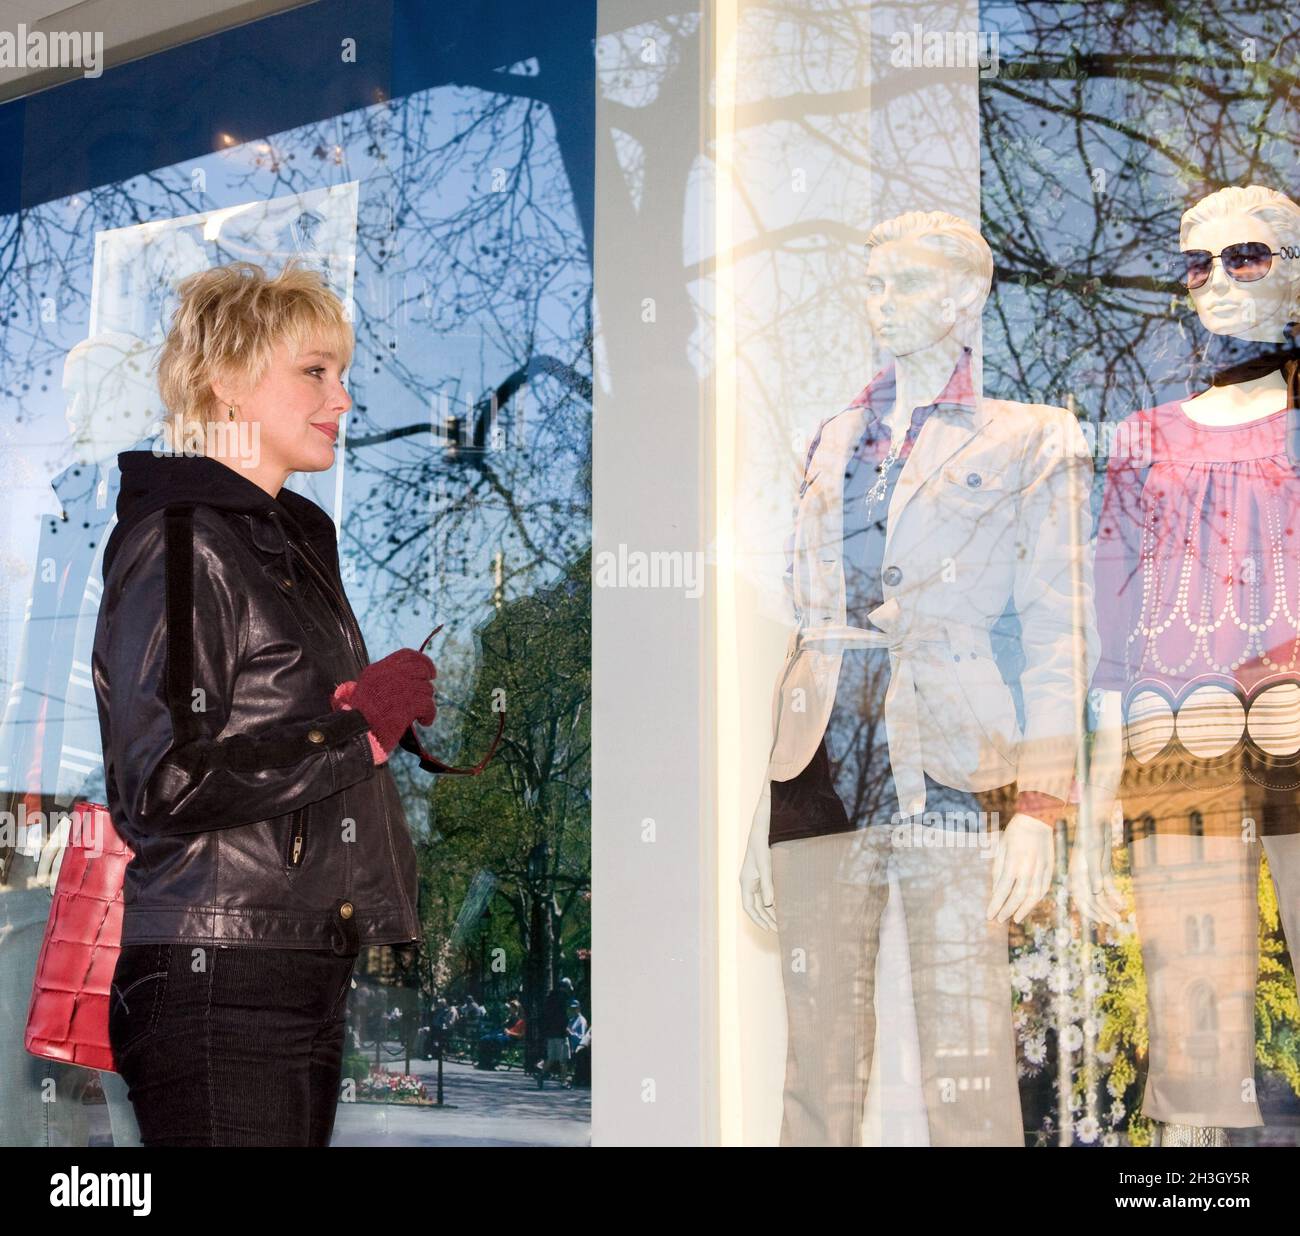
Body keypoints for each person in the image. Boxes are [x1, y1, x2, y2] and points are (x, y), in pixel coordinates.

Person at [740, 210, 1097, 1146]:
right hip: (818, 768)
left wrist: (1040, 802)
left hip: (950, 765)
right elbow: (804, 630)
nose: (882, 302)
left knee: (965, 1054)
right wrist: (762, 810)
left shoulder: (1032, 438)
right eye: (872, 282)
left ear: (967, 294)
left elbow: (1059, 636)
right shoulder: (830, 440)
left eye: (905, 282)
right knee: (815, 1061)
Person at [94, 260, 437, 1146]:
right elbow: (164, 779)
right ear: (228, 380)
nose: (342, 398)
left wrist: (362, 710)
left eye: (344, 374)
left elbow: (266, 732)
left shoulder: (284, 547)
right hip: (220, 979)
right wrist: (356, 731)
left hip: (290, 965)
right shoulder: (183, 538)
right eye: (314, 371)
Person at [1079, 184, 1300, 1145]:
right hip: (1173, 747)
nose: (1216, 280)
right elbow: (1110, 635)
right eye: (1195, 263)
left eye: (1245, 256)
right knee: (1193, 1036)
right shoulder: (1139, 439)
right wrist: (1090, 798)